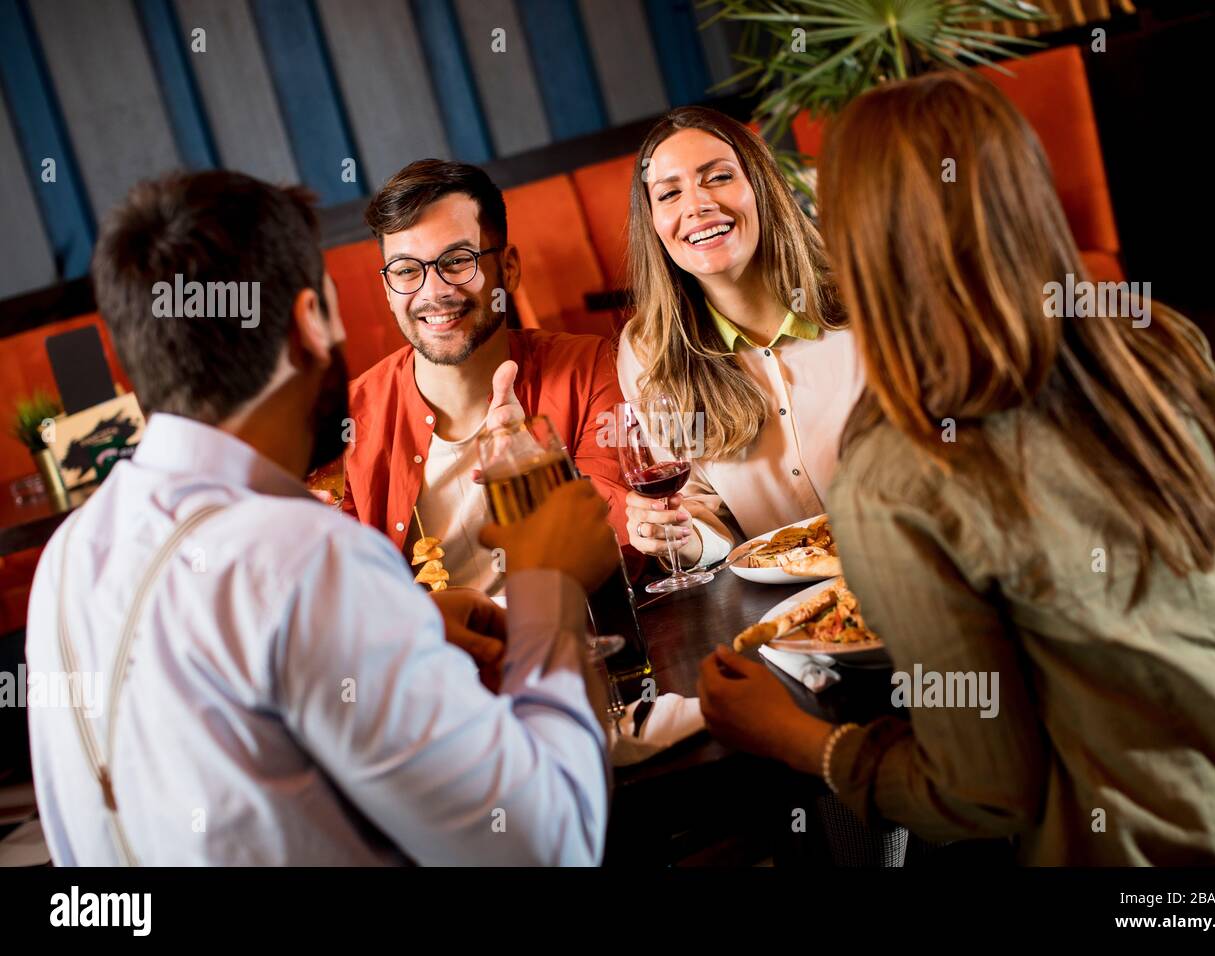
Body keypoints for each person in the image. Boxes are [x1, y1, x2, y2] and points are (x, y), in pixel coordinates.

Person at [697, 71, 1215, 865]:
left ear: (853, 238)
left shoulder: (897, 470)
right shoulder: (1154, 339)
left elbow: (983, 794)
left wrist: (801, 741)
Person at [25, 170, 619, 865]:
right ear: (312, 321)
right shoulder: (305, 556)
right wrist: (545, 585)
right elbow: (547, 841)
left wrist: (413, 623)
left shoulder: (67, 559)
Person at [343, 159, 629, 593]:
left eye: (458, 261)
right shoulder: (346, 421)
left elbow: (625, 548)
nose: (434, 292)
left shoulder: (588, 370)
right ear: (387, 288)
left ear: (508, 268)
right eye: (405, 270)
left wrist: (541, 476)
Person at [616, 107, 862, 568]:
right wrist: (683, 535)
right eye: (669, 193)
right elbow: (703, 509)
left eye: (719, 177)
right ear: (654, 224)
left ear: (761, 188)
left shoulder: (862, 295)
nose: (696, 206)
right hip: (795, 608)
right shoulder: (650, 351)